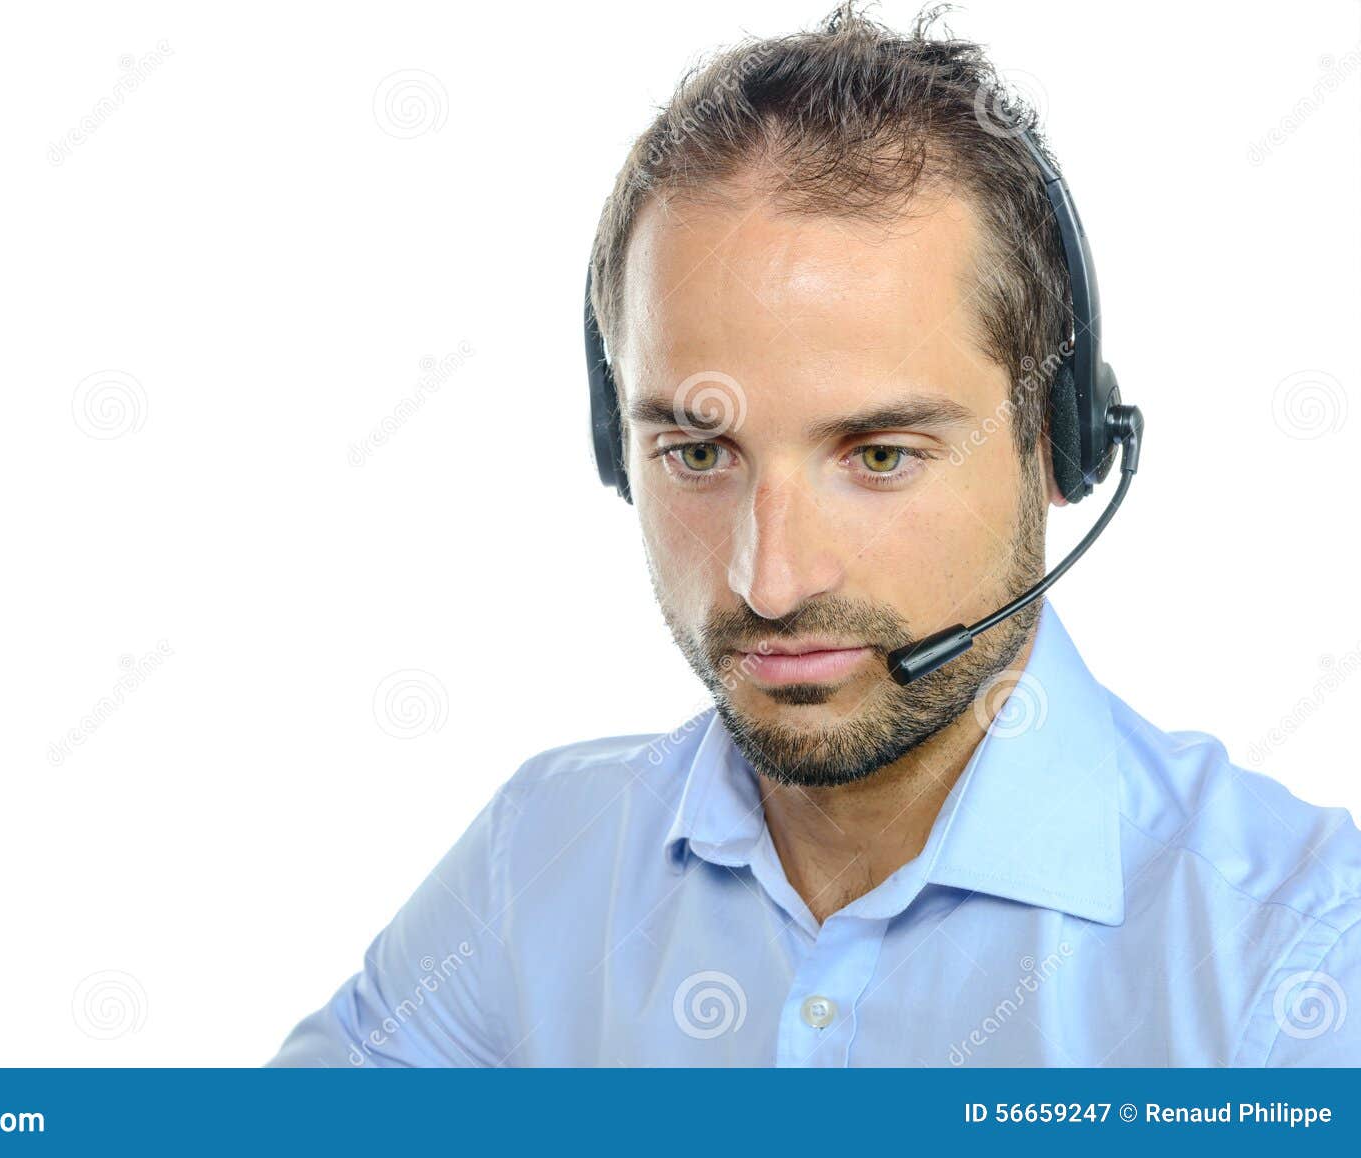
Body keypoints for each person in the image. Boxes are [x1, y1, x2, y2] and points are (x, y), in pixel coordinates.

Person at [270, 4, 1361, 1066]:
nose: (772, 578)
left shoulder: (1299, 955)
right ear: (619, 446)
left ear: (1057, 440)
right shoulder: (539, 864)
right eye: (698, 454)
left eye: (877, 455)